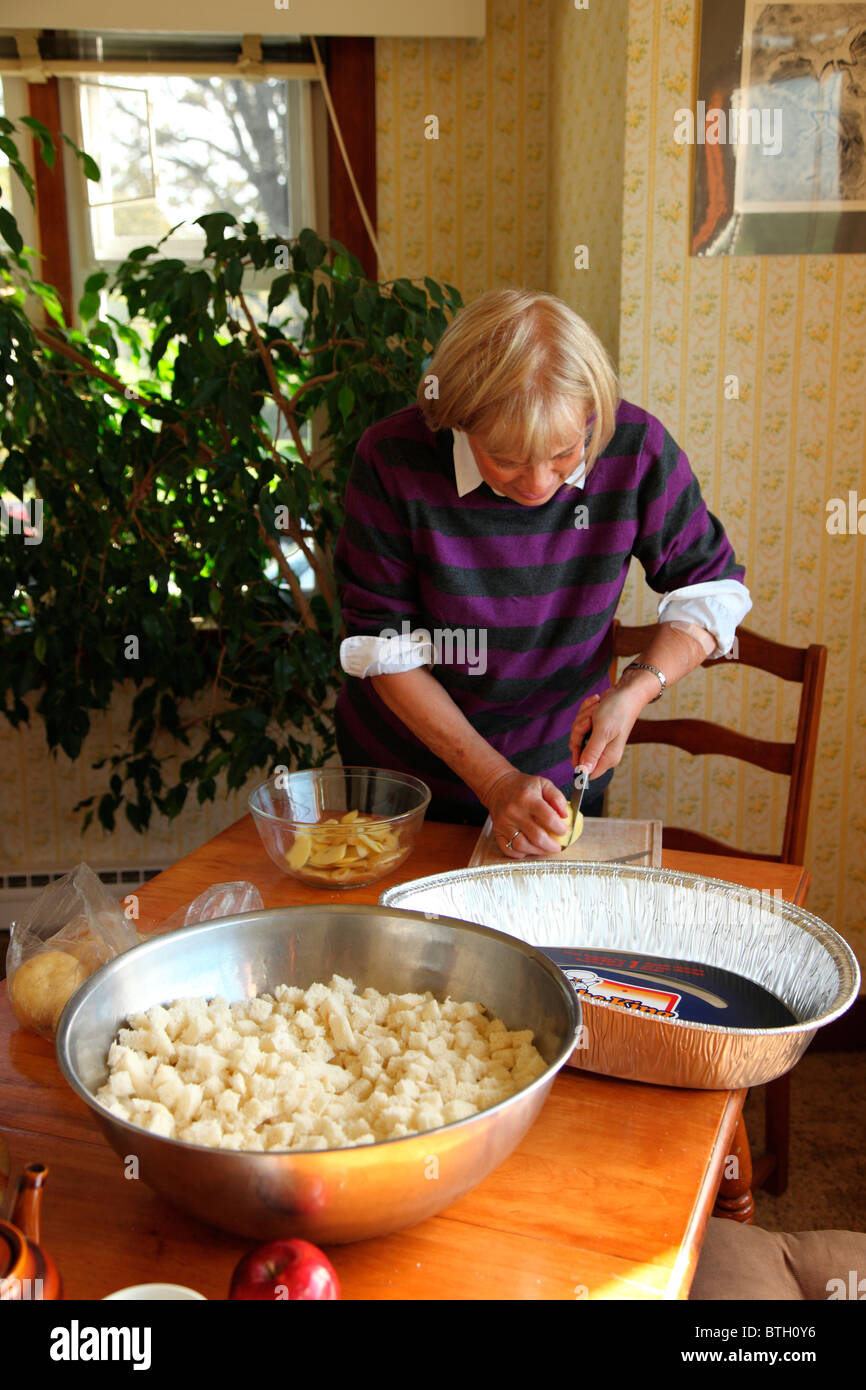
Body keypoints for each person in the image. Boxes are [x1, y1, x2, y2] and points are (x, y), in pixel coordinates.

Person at [334, 289, 751, 858]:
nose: (536, 485)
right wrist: (495, 781)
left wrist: (635, 688)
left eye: (563, 455)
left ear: (591, 415)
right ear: (458, 419)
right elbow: (384, 649)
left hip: (562, 780)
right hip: (411, 782)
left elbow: (710, 590)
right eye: (504, 458)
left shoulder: (635, 447)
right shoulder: (392, 458)